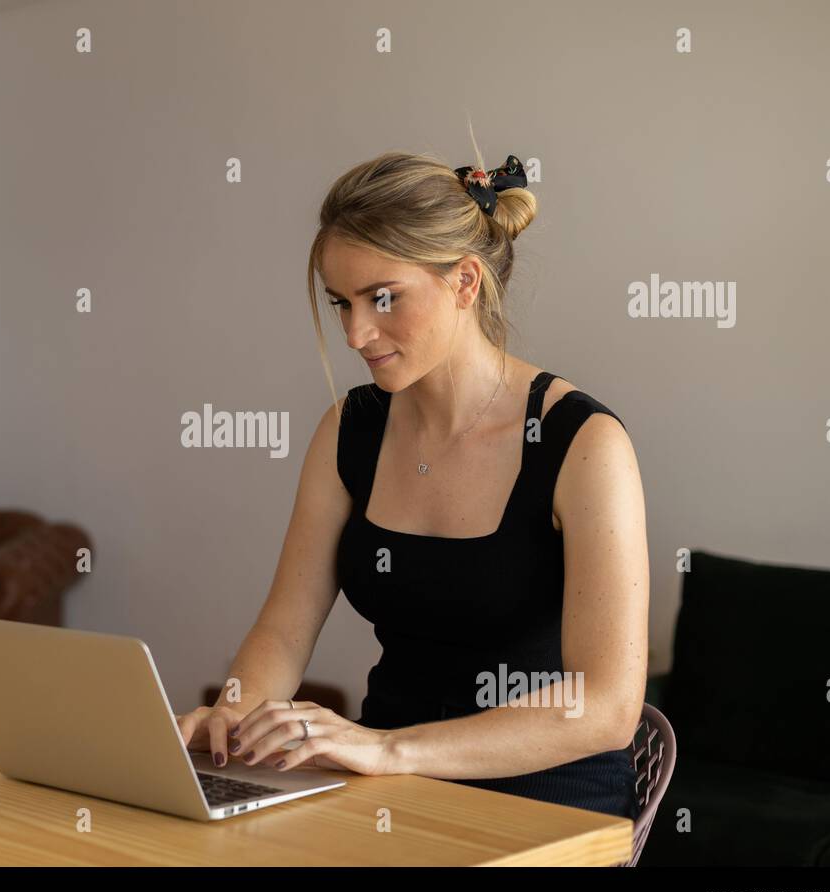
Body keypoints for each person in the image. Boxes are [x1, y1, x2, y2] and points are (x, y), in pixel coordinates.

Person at [176, 145, 648, 819]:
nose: (355, 332)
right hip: (387, 790)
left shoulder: (582, 443)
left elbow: (605, 707)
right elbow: (283, 630)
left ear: (464, 282)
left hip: (547, 804)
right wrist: (229, 717)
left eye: (382, 297)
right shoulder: (351, 429)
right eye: (341, 302)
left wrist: (388, 751)